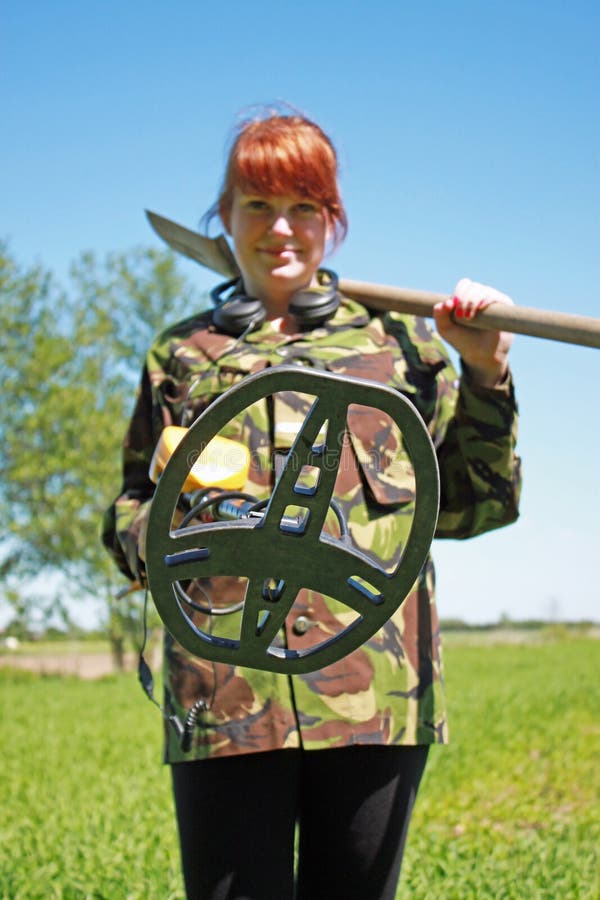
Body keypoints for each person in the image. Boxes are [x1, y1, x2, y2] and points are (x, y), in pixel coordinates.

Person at [102, 110, 521, 900]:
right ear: (223, 219)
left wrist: (486, 376)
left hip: (373, 700)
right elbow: (126, 509)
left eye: (304, 205)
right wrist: (162, 537)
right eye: (257, 204)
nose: (281, 228)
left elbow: (470, 508)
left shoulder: (406, 350)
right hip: (223, 698)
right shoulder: (182, 356)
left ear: (334, 219)